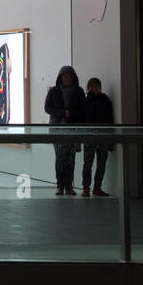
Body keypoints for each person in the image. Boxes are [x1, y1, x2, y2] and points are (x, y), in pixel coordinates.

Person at [44, 65, 86, 195]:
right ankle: (60, 185)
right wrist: (62, 113)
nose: (67, 78)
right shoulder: (54, 91)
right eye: (65, 75)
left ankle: (69, 186)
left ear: (73, 77)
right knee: (60, 158)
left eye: (70, 75)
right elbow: (47, 108)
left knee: (71, 158)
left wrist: (71, 114)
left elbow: (83, 109)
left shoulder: (78, 91)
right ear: (60, 77)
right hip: (57, 128)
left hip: (73, 127)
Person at [80, 77, 115, 197]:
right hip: (89, 136)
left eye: (97, 86)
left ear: (100, 87)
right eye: (92, 86)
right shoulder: (85, 101)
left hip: (103, 136)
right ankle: (86, 188)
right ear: (89, 87)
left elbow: (110, 119)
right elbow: (83, 120)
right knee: (88, 164)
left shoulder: (105, 100)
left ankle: (97, 188)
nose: (95, 88)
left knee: (101, 164)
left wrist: (111, 138)